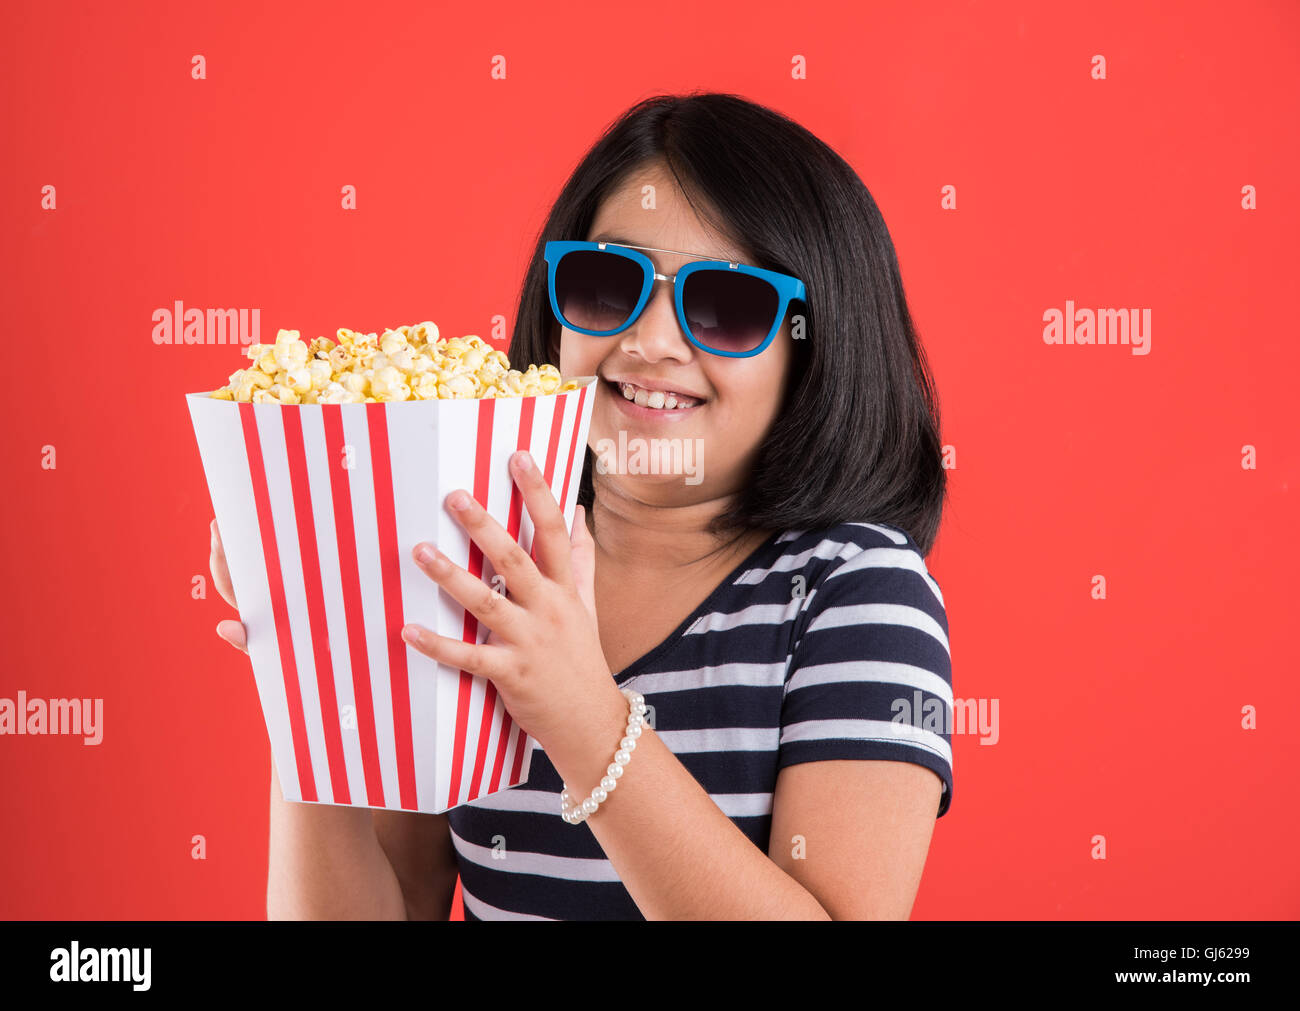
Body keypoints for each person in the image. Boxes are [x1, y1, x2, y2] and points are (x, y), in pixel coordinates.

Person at [210, 91, 953, 921]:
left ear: (818, 345)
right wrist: (312, 675)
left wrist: (586, 719)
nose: (651, 340)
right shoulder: (481, 562)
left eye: (729, 306)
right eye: (608, 283)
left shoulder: (857, 593)